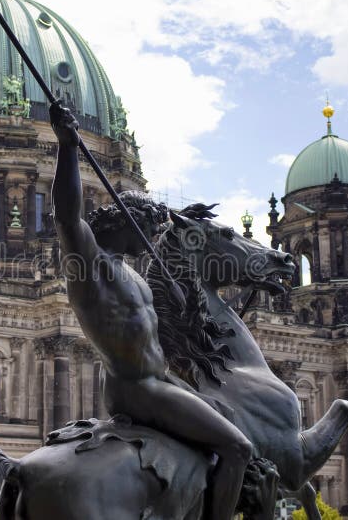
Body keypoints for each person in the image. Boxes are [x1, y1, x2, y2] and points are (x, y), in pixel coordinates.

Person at [50, 102, 252, 520]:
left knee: (231, 418)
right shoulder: (93, 265)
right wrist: (68, 146)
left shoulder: (135, 276)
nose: (153, 238)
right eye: (150, 228)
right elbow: (68, 217)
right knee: (238, 448)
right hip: (138, 389)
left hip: (159, 382)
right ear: (126, 220)